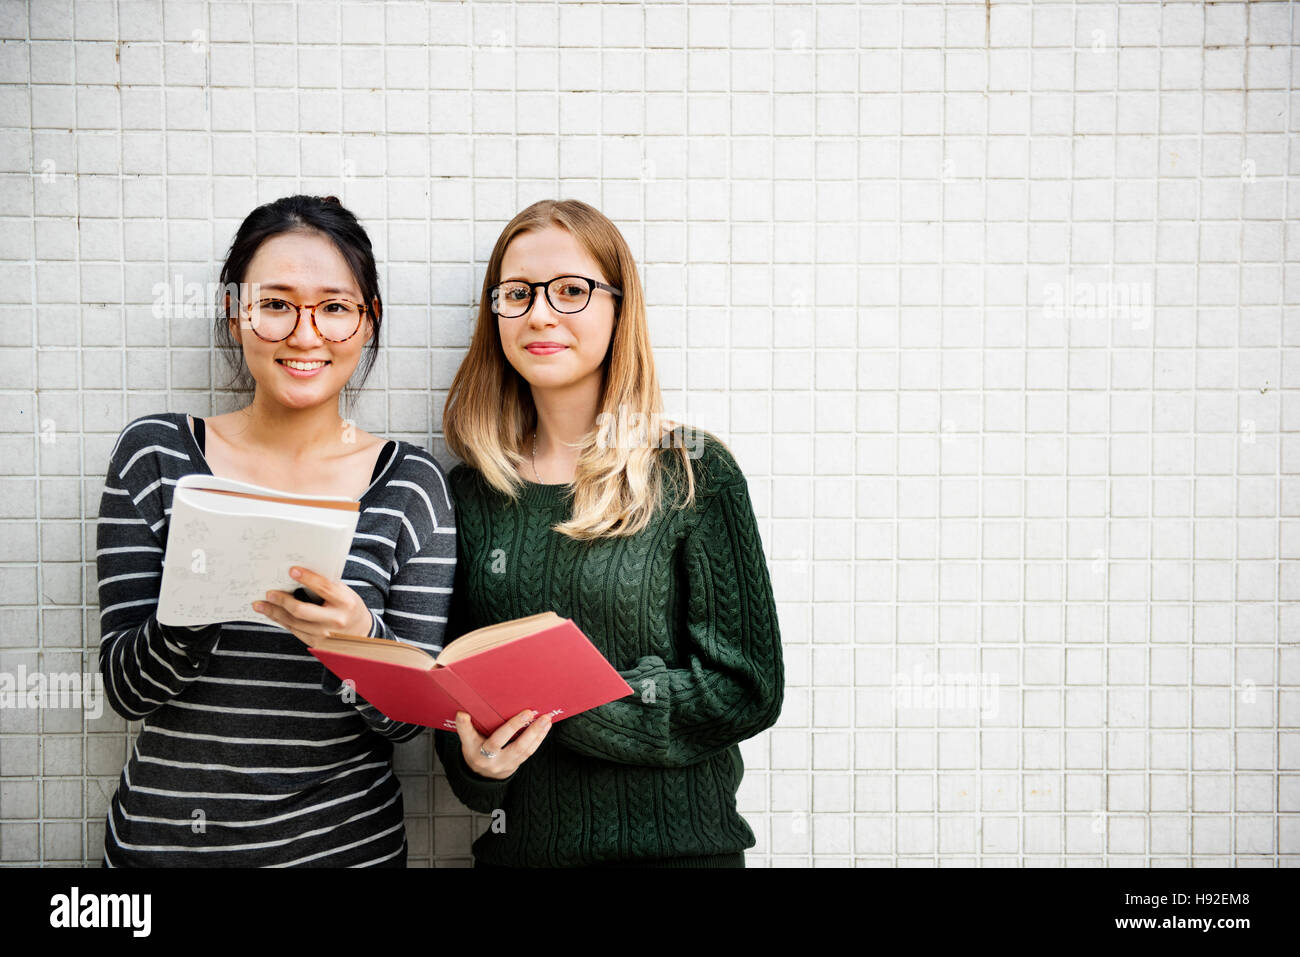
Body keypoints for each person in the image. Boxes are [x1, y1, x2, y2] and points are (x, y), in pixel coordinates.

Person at [95, 195, 455, 866]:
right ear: (236, 315)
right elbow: (125, 689)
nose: (305, 333)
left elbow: (412, 720)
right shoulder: (156, 457)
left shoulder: (411, 485)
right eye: (276, 303)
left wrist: (357, 642)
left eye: (335, 307)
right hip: (165, 847)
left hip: (343, 850)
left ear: (366, 321)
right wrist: (192, 610)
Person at [436, 198, 784, 867]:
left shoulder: (693, 471)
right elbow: (460, 727)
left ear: (619, 308)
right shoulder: (468, 494)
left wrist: (571, 704)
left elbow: (747, 687)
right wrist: (478, 760)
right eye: (517, 294)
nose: (540, 313)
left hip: (681, 857)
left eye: (571, 291)